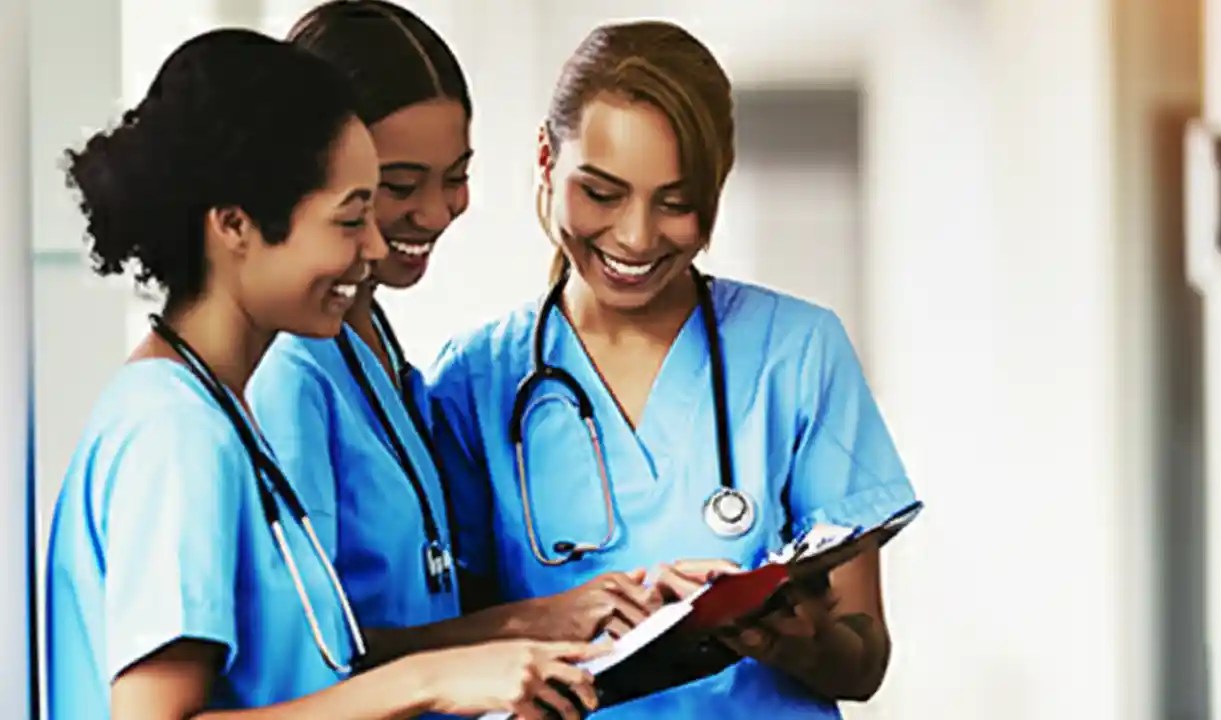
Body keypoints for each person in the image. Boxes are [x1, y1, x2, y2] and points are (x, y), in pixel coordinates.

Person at [44, 28, 601, 720]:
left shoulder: (215, 413)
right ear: (236, 225)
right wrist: (424, 682)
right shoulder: (173, 431)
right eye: (350, 219)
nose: (371, 248)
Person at [424, 19, 920, 719]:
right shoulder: (473, 383)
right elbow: (442, 659)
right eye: (601, 193)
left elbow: (864, 662)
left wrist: (776, 635)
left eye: (677, 203)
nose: (635, 236)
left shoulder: (799, 351)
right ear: (545, 160)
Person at [250, 0, 704, 665]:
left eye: (456, 177)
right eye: (399, 184)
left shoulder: (372, 339)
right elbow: (306, 657)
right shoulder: (290, 368)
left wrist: (613, 606)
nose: (436, 211)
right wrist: (527, 625)